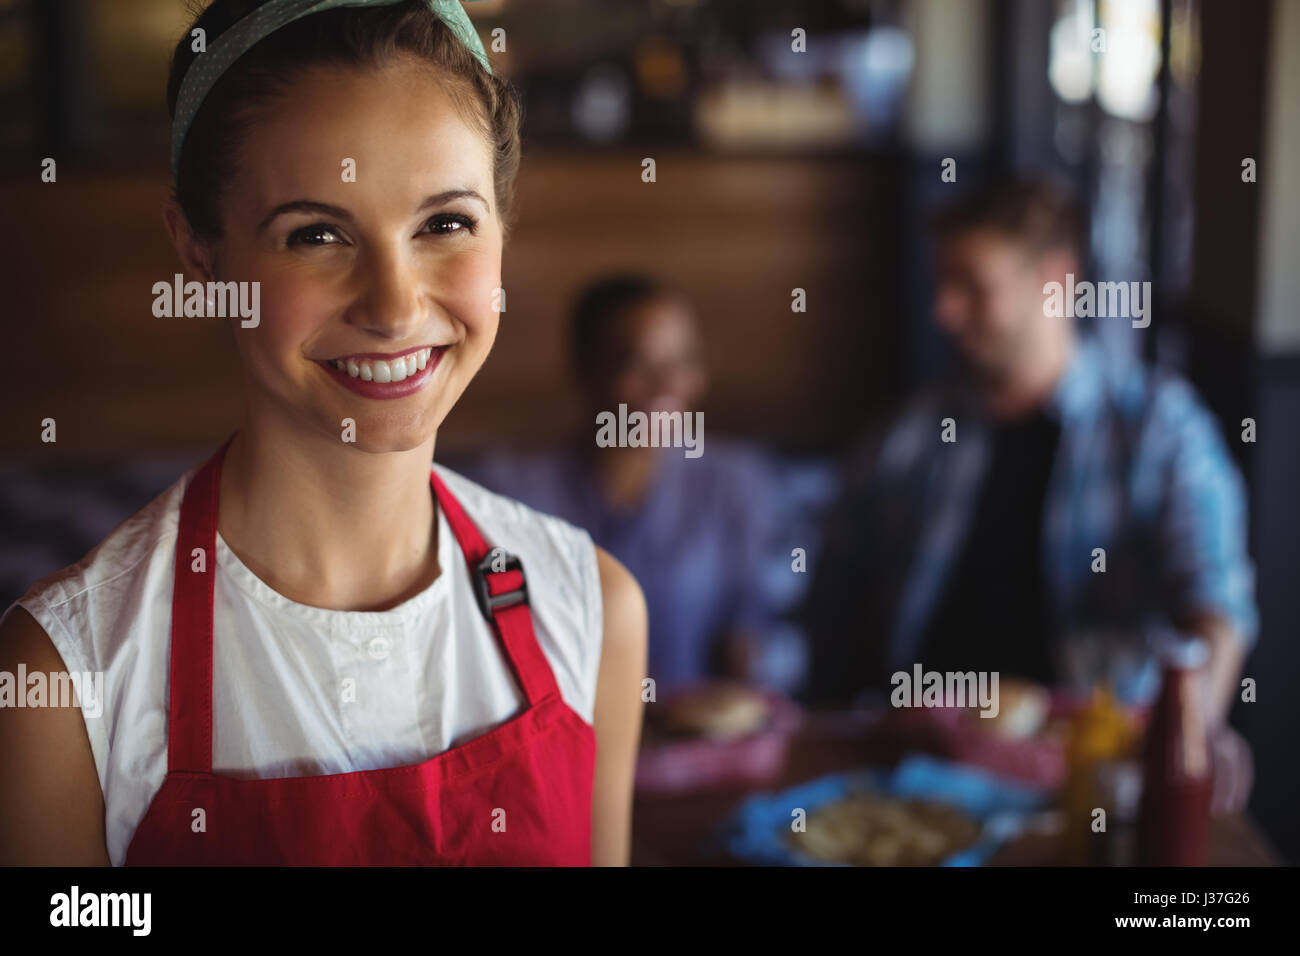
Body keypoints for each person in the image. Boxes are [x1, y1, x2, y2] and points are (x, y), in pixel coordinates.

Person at [0, 0, 646, 866]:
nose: (393, 306)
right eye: (314, 234)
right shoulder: (59, 686)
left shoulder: (592, 608)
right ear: (200, 255)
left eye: (445, 223)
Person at [804, 178, 1257, 744]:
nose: (944, 310)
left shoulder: (1158, 428)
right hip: (919, 758)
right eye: (943, 284)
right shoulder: (909, 433)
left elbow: (1214, 603)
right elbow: (831, 611)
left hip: (1085, 760)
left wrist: (1193, 732)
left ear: (1056, 282)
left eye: (972, 286)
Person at [460, 274, 775, 690]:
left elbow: (745, 645)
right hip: (560, 740)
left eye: (682, 362)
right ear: (584, 370)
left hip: (693, 741)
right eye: (637, 364)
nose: (666, 386)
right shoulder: (510, 491)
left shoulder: (731, 483)